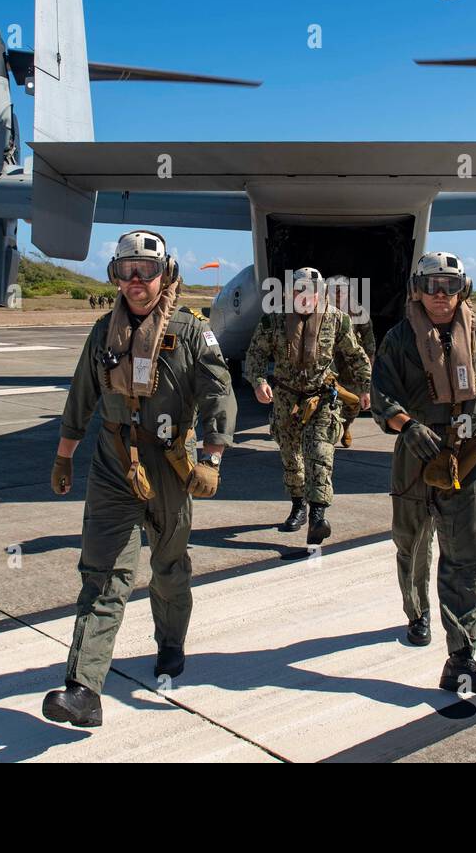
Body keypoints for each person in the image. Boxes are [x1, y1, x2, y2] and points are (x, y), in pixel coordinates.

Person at [42, 229, 237, 727]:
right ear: (115, 276)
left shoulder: (192, 332)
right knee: (104, 574)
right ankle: (83, 689)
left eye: (146, 271)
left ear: (164, 273)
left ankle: (170, 642)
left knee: (169, 569)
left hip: (171, 468)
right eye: (126, 271)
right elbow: (80, 398)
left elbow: (219, 394)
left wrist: (211, 458)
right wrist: (65, 456)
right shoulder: (103, 332)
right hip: (112, 466)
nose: (136, 281)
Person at [371, 252, 476, 695]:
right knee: (412, 544)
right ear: (416, 289)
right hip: (417, 457)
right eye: (432, 285)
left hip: (472, 460)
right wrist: (408, 426)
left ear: (464, 288)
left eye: (450, 285)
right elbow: (381, 397)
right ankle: (416, 611)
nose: (441, 295)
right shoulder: (399, 339)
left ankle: (461, 656)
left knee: (469, 558)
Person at [243, 267, 371, 545]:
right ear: (289, 292)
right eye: (298, 290)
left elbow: (356, 354)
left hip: (322, 397)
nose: (305, 296)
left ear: (320, 294)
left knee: (320, 452)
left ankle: (318, 515)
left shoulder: (338, 320)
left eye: (311, 292)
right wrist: (258, 381)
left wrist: (364, 387)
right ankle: (298, 505)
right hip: (286, 399)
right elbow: (255, 354)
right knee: (291, 457)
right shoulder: (273, 322)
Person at [326, 275, 376, 448]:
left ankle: (345, 426)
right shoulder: (321, 310)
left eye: (342, 289)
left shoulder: (358, 311)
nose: (339, 292)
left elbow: (369, 340)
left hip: (352, 364)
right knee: (329, 400)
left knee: (353, 402)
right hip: (329, 362)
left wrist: (369, 362)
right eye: (335, 289)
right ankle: (330, 431)